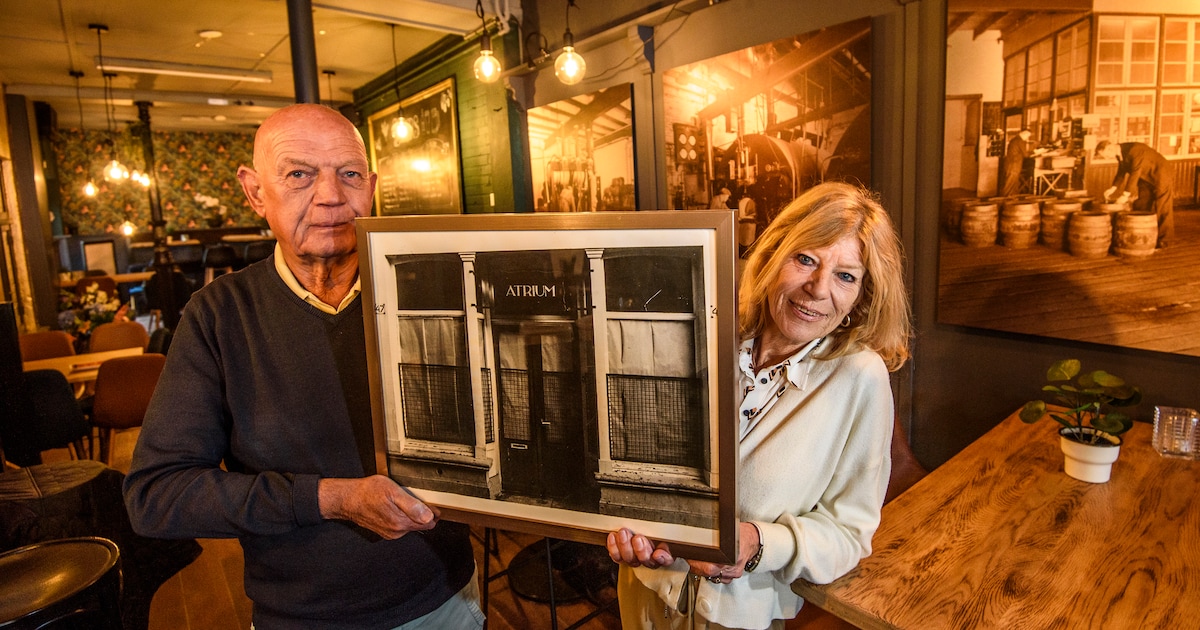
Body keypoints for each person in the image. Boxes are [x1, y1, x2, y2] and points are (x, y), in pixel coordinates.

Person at [123, 104, 480, 629]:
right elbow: (157, 495)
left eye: (350, 174)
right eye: (299, 175)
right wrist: (329, 499)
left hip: (443, 603)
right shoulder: (220, 315)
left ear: (371, 188)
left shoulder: (437, 289)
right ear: (255, 193)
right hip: (300, 616)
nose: (331, 196)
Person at [607, 181, 911, 630]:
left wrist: (758, 543)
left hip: (734, 619)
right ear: (773, 257)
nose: (818, 288)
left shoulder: (860, 378)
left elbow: (848, 534)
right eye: (805, 259)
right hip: (643, 590)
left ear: (862, 296)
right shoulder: (711, 330)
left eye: (845, 276)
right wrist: (625, 524)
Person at [1096, 140, 1174, 248]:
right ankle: (1144, 235)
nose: (1106, 158)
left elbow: (1135, 172)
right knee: (1141, 204)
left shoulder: (1135, 150)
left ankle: (1165, 240)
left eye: (1105, 155)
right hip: (1145, 178)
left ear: (1110, 148)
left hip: (1161, 175)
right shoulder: (1120, 154)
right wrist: (1113, 188)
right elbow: (1121, 172)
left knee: (1163, 207)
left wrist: (1125, 195)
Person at [1002, 129, 1038, 197]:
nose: (1027, 138)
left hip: (1011, 164)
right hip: (1014, 165)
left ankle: (1010, 199)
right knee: (1010, 184)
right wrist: (1035, 151)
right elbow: (1026, 155)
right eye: (1027, 136)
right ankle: (1005, 200)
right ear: (1024, 134)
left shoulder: (1015, 140)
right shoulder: (1020, 141)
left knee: (1012, 184)